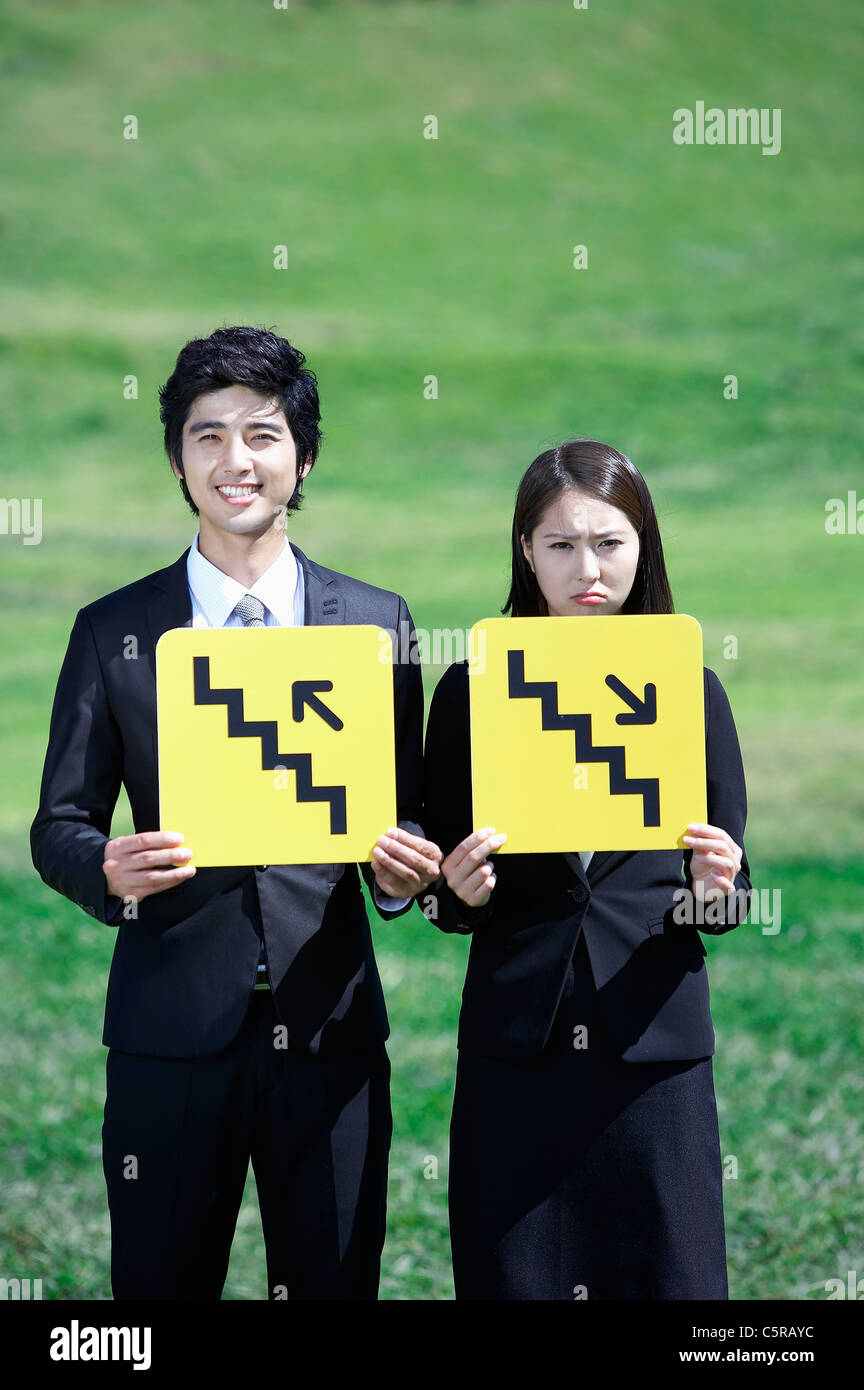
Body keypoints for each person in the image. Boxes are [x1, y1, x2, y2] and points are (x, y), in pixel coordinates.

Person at [30, 325, 441, 1300]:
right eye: (206, 436)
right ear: (177, 458)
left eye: (260, 434)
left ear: (303, 456)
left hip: (331, 1023)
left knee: (336, 1283)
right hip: (168, 1030)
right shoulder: (116, 629)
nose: (234, 460)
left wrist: (401, 867)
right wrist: (103, 868)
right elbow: (59, 822)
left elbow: (413, 811)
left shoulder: (377, 623)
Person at [422, 439, 751, 1301]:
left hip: (655, 1047)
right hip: (517, 1046)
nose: (587, 569)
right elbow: (446, 892)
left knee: (675, 1287)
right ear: (525, 552)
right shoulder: (470, 692)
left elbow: (728, 889)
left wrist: (716, 893)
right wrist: (453, 892)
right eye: (560, 544)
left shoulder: (692, 691)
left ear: (644, 548)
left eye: (610, 542)